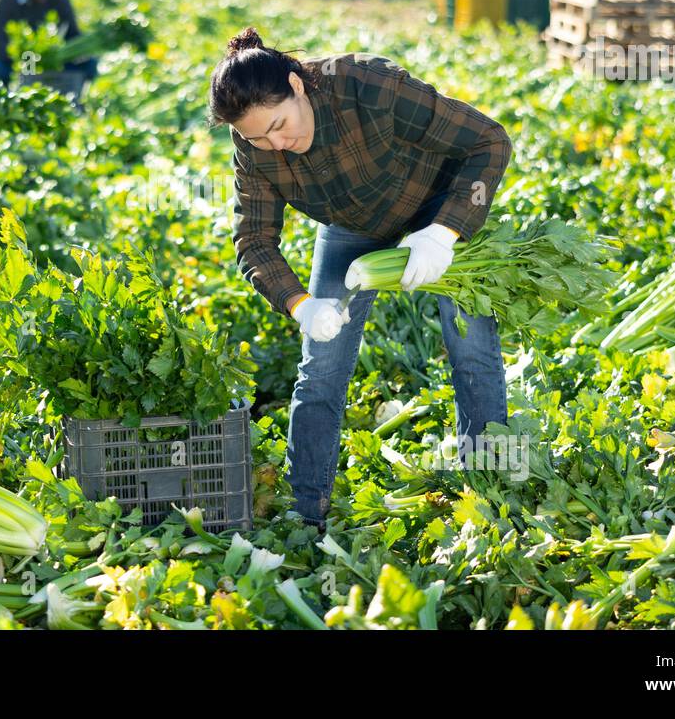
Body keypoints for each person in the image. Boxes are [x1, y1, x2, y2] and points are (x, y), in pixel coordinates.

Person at [208, 27, 514, 530]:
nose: (276, 144)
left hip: (438, 206)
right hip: (351, 224)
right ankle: (306, 512)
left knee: (472, 350)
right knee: (321, 366)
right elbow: (255, 239)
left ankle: (492, 495)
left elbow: (489, 139)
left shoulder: (365, 85)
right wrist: (300, 304)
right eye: (257, 137)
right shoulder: (257, 147)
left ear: (296, 84)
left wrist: (443, 233)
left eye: (280, 125)